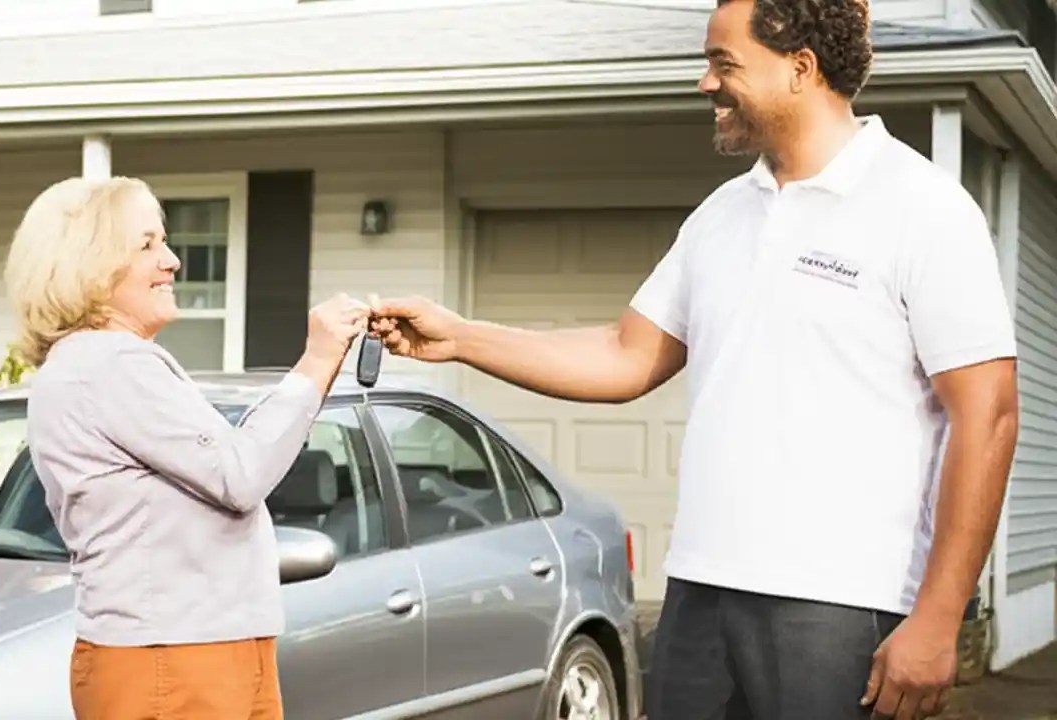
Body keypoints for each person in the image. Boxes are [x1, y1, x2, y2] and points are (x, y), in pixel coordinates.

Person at [368, 1, 1019, 718]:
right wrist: (460, 337)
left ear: (801, 68)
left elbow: (986, 416)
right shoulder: (720, 217)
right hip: (699, 600)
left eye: (723, 63)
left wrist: (938, 614)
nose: (705, 83)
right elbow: (625, 355)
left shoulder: (921, 207)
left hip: (841, 606)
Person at [2, 175, 370, 720]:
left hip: (192, 649)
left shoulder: (95, 365)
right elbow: (241, 474)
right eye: (146, 244)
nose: (172, 260)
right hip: (173, 658)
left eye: (165, 241)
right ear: (89, 266)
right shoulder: (112, 364)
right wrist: (316, 361)